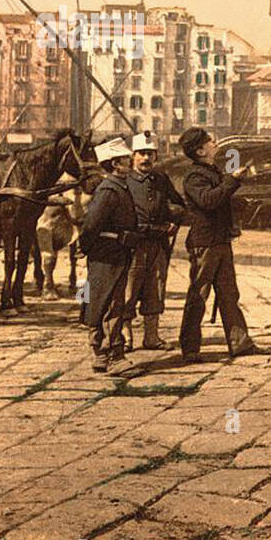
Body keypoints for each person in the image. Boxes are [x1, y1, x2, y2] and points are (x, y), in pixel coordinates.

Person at [176, 126, 263, 362]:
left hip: (220, 241)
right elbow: (208, 201)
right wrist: (233, 181)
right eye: (211, 142)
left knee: (228, 294)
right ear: (200, 150)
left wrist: (238, 198)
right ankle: (190, 348)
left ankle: (240, 343)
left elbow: (219, 199)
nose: (215, 144)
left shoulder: (211, 172)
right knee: (198, 295)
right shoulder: (195, 177)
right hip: (204, 243)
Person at [78, 137, 140, 376]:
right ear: (115, 164)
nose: (130, 161)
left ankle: (101, 355)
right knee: (109, 304)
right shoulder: (109, 190)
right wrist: (89, 248)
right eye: (126, 159)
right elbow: (91, 225)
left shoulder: (118, 187)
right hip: (108, 255)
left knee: (102, 301)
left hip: (114, 253)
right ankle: (113, 356)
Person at [120, 130, 185, 350]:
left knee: (155, 289)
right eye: (141, 153)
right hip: (132, 245)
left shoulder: (161, 179)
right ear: (133, 156)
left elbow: (178, 205)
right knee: (128, 291)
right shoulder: (125, 180)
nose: (146, 158)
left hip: (157, 244)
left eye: (150, 154)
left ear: (156, 156)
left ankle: (151, 337)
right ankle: (125, 337)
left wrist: (175, 220)